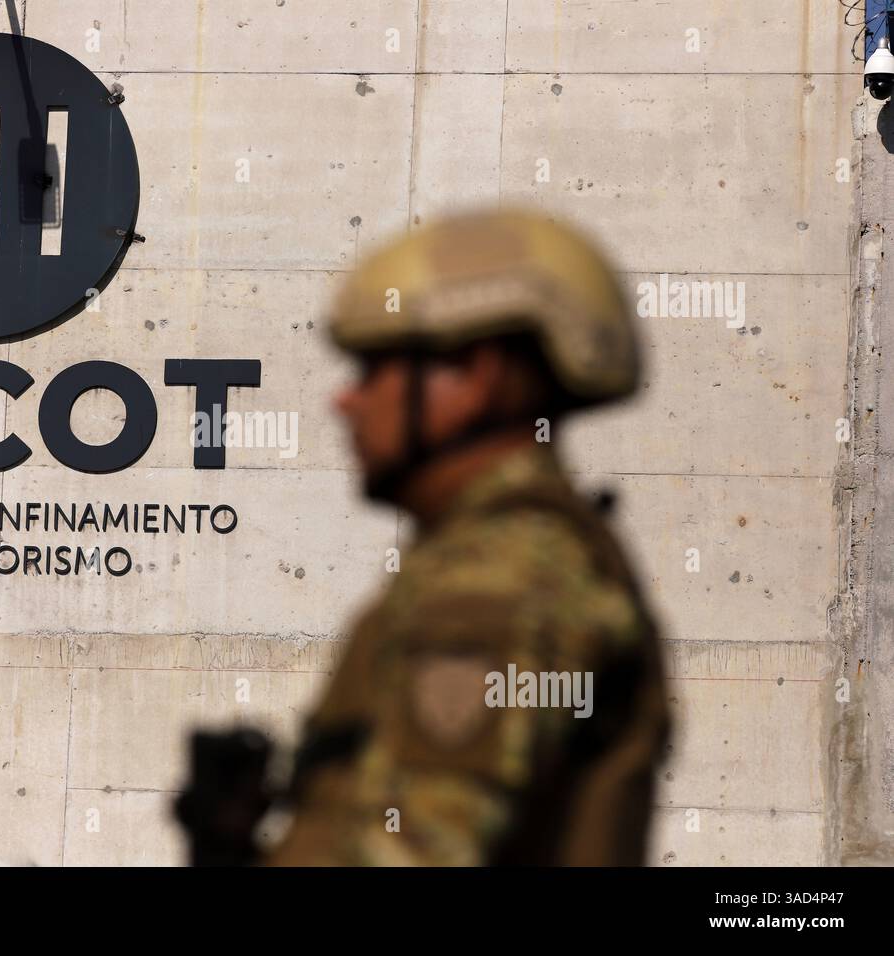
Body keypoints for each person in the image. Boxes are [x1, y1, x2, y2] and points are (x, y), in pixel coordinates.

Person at [265, 208, 671, 865]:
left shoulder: (500, 576)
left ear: (477, 378)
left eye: (375, 371)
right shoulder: (495, 555)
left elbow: (413, 850)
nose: (347, 401)